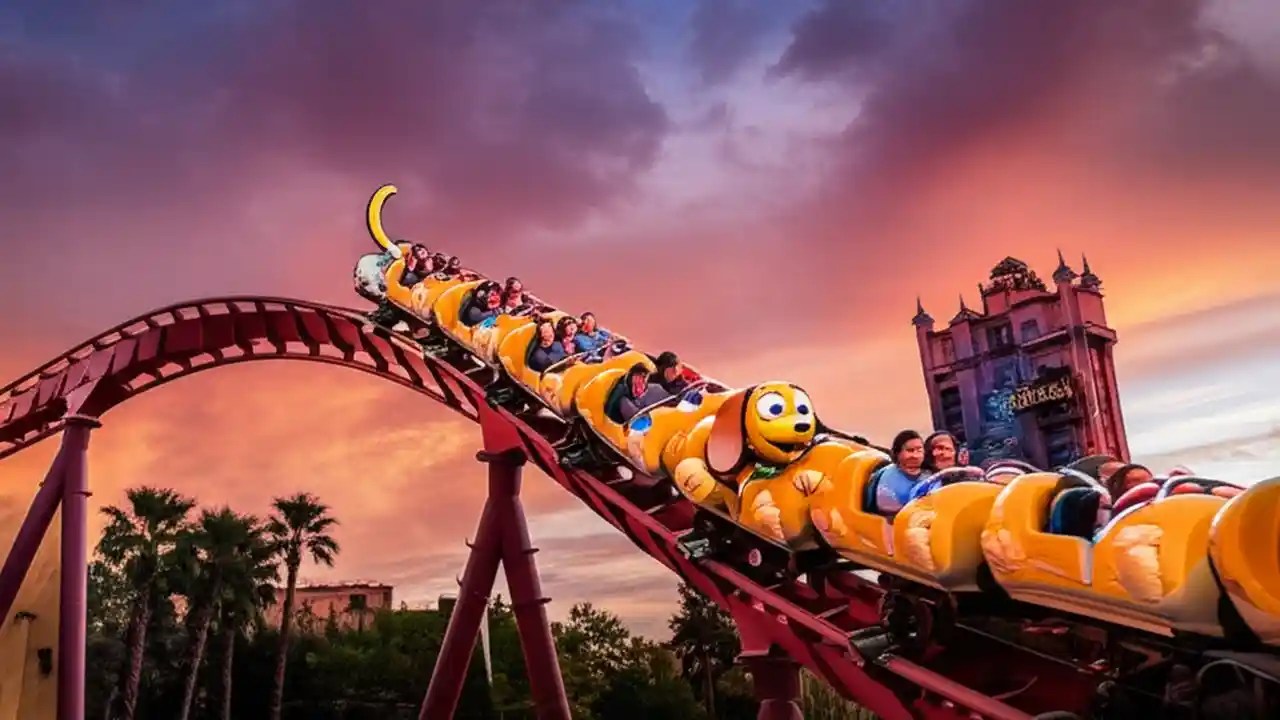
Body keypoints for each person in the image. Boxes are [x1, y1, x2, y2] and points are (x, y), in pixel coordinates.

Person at [870, 430, 929, 513]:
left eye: (919, 450)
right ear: (897, 453)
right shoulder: (888, 478)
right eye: (910, 450)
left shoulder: (928, 474)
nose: (916, 456)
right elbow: (886, 509)